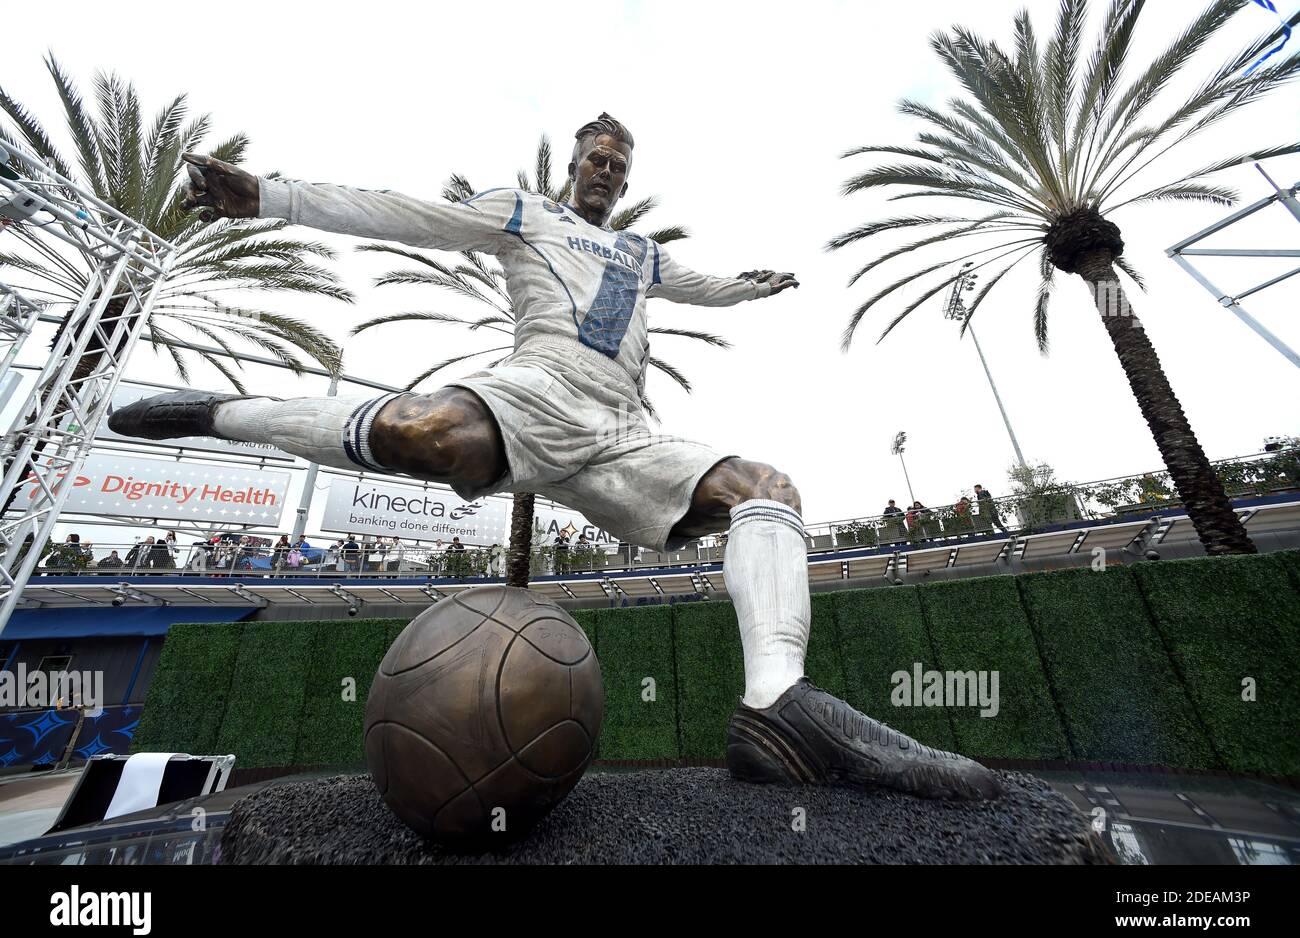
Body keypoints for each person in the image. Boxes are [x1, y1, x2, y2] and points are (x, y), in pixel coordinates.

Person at [109, 113, 998, 799]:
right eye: (598, 157)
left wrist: (752, 286)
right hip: (533, 392)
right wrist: (273, 197)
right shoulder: (521, 211)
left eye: (621, 163)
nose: (608, 170)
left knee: (769, 488)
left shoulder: (640, 253)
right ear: (572, 164)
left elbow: (703, 286)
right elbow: (410, 217)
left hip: (625, 430)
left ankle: (776, 705)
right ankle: (224, 412)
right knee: (426, 435)